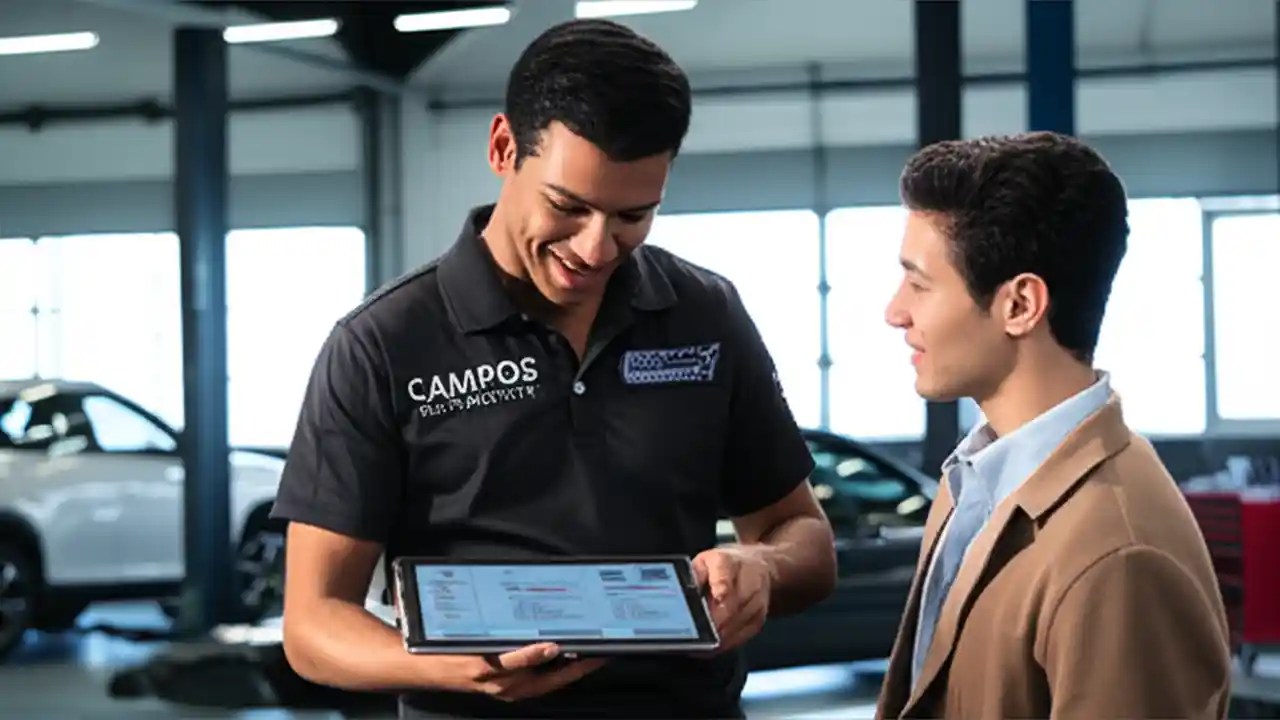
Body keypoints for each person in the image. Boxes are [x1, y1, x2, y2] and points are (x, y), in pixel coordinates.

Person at [270, 18, 837, 720]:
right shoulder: (381, 344)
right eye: (568, 208)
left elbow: (804, 538)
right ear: (504, 147)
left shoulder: (705, 313)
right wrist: (449, 669)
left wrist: (762, 570)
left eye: (635, 215)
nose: (598, 248)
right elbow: (313, 624)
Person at [875, 132, 1232, 719]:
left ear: (1019, 305)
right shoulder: (970, 484)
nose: (895, 311)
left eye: (919, 283)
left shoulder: (1121, 555)